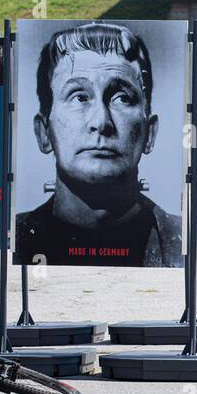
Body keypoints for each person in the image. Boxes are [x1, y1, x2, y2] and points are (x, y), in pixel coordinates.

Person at [14, 22, 182, 267]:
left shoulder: (185, 242)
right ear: (44, 133)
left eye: (122, 98)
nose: (101, 122)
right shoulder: (12, 241)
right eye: (79, 97)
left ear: (149, 133)